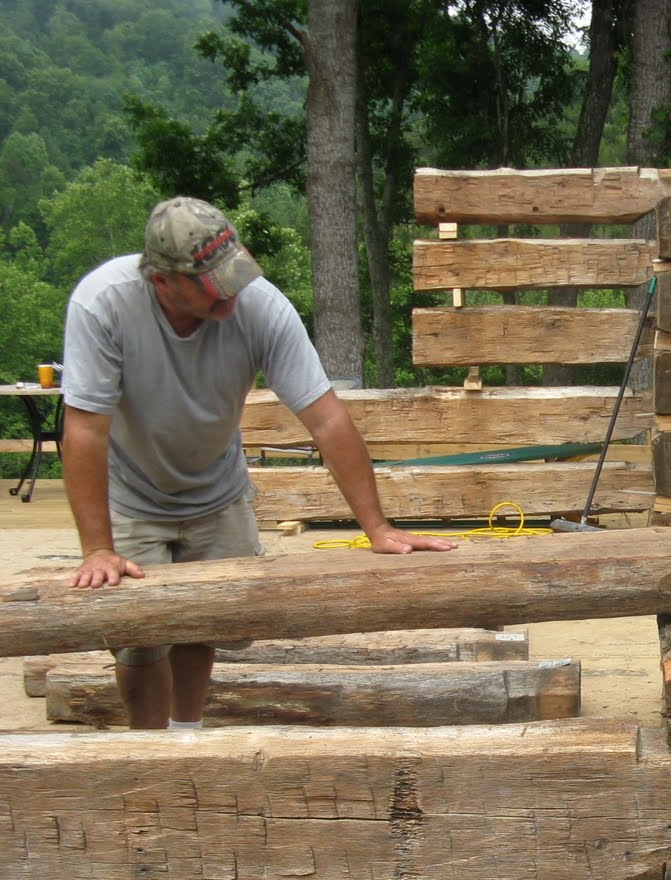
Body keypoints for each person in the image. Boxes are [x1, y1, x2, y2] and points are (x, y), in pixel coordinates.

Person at [61, 195, 456, 731]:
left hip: (215, 489)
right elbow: (85, 431)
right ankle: (148, 754)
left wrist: (377, 527)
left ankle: (187, 737)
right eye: (211, 282)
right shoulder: (103, 304)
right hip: (130, 493)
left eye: (235, 273)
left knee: (204, 619)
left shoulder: (261, 307)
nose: (231, 290)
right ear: (163, 282)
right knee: (138, 638)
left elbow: (327, 421)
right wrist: (98, 548)